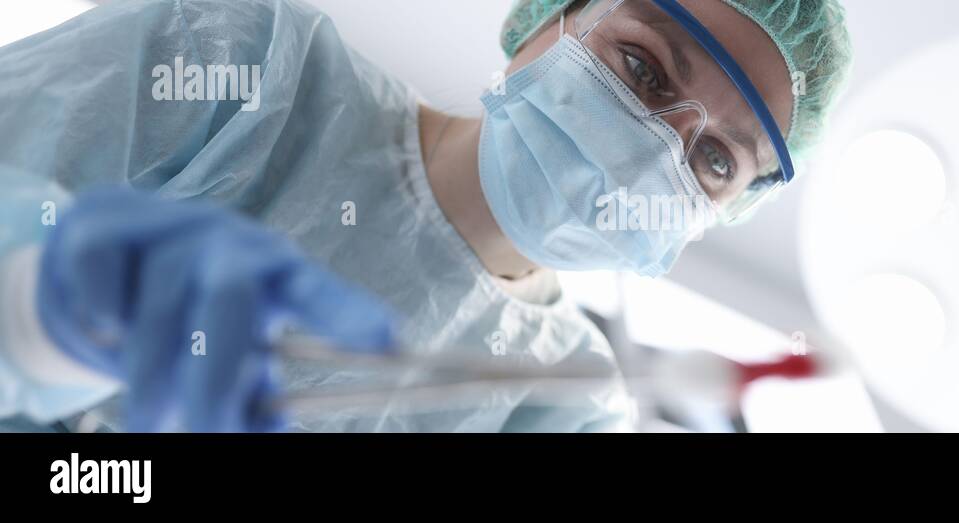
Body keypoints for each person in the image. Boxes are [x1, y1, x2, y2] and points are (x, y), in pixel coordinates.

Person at [0, 0, 851, 432]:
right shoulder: (237, 57)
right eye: (643, 66)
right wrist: (42, 311)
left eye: (712, 160)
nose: (649, 151)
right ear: (551, 21)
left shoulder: (562, 410)